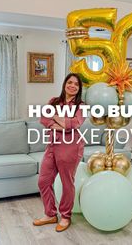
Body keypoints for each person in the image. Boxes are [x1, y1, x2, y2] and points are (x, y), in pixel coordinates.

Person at [33, 73, 85, 232]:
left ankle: (65, 216)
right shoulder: (54, 101)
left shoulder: (81, 106)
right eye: (70, 82)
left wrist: (55, 116)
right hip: (52, 146)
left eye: (76, 84)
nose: (72, 86)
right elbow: (43, 119)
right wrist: (60, 122)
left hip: (70, 147)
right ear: (64, 84)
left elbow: (74, 123)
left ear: (79, 88)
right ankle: (50, 214)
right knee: (43, 181)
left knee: (67, 183)